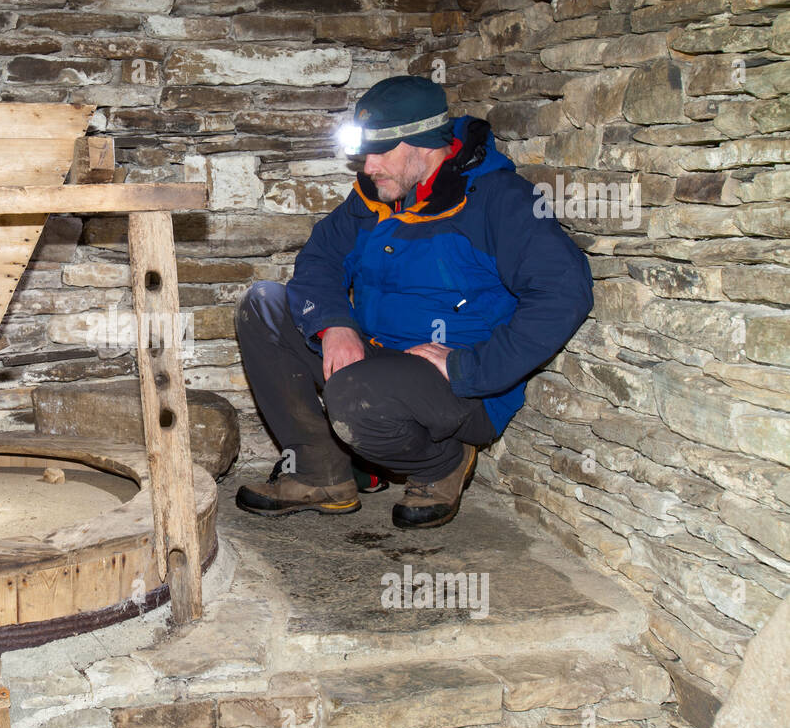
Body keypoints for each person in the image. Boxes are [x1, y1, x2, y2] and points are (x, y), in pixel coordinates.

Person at [235, 75, 593, 529]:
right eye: (365, 153)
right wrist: (333, 324)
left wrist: (471, 366)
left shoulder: (501, 202)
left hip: (458, 386)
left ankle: (441, 463)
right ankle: (320, 473)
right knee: (264, 304)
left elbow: (565, 293)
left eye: (381, 152)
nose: (368, 167)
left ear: (423, 145)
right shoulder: (374, 199)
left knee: (355, 395)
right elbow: (321, 259)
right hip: (377, 359)